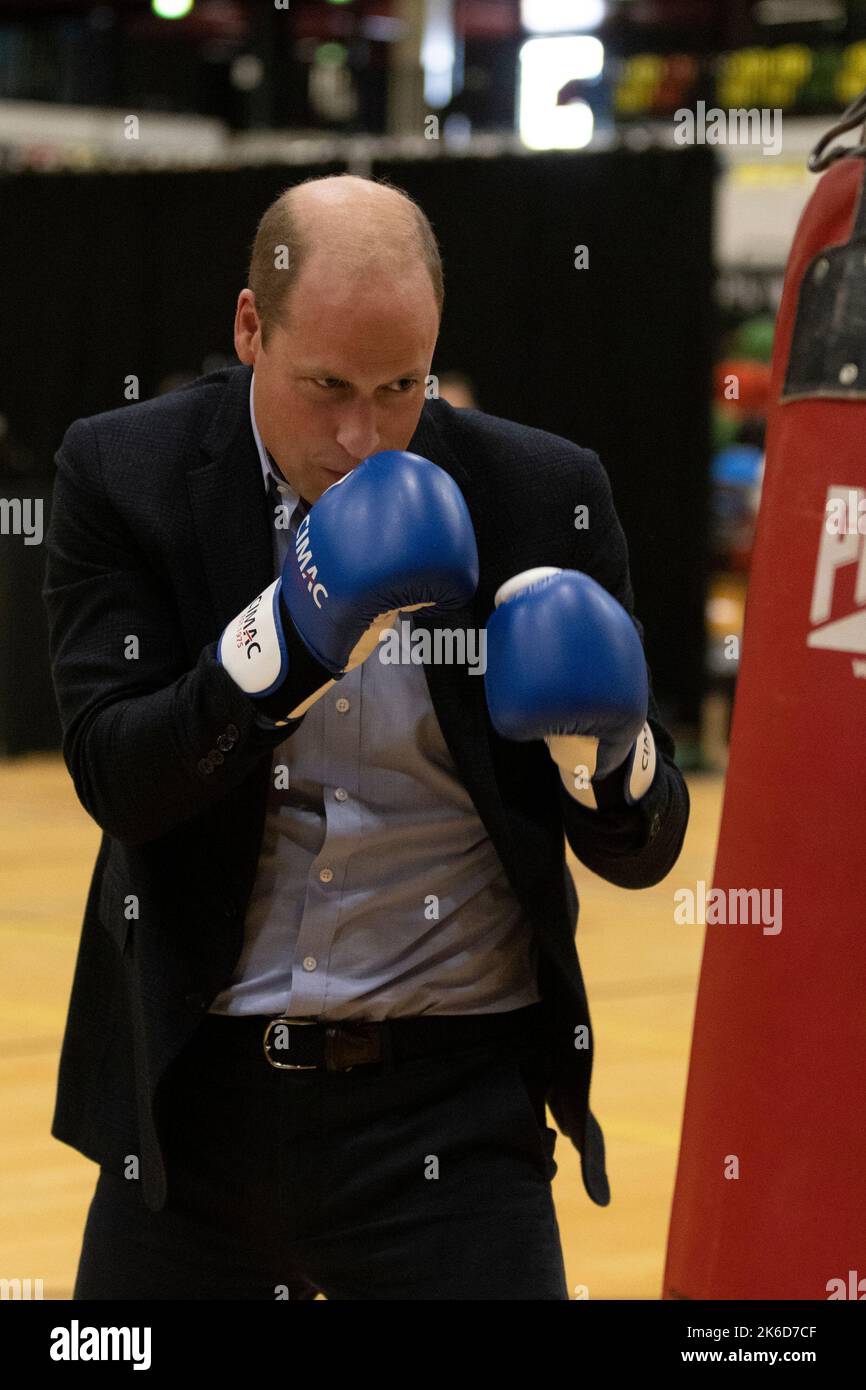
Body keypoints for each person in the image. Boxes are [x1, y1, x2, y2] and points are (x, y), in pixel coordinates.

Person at [42, 173, 689, 1301]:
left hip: (457, 1110)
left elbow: (644, 845)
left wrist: (612, 750)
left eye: (401, 386)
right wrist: (284, 640)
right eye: (326, 385)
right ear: (251, 327)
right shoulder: (124, 475)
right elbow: (119, 777)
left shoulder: (539, 494)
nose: (361, 436)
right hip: (199, 1111)